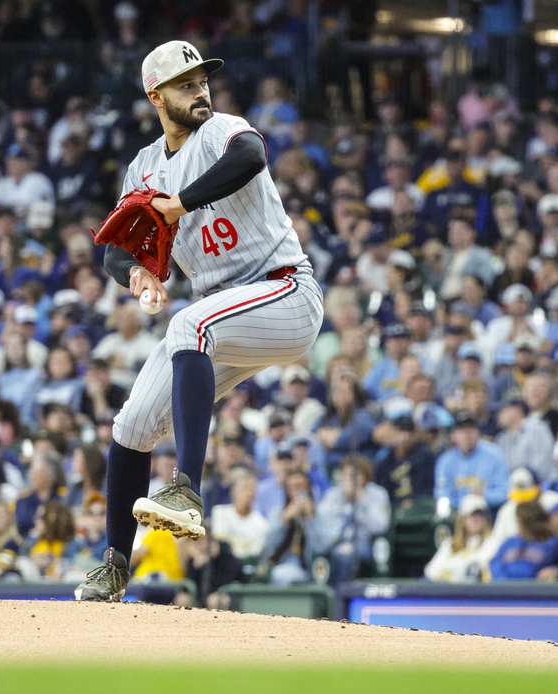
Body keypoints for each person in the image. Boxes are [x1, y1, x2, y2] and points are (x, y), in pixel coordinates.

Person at [75, 40, 324, 602]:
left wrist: (180, 204)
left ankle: (186, 492)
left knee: (189, 324)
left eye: (202, 81)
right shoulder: (144, 167)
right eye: (185, 85)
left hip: (285, 291)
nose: (200, 91)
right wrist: (137, 274)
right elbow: (116, 248)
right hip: (224, 319)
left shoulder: (220, 131)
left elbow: (250, 157)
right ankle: (114, 566)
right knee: (131, 425)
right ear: (156, 97)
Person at [315, 455, 391, 584]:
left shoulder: (377, 493)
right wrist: (344, 503)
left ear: (364, 476)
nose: (349, 479)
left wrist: (361, 500)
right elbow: (322, 520)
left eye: (354, 475)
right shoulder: (333, 494)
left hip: (366, 541)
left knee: (349, 555)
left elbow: (381, 526)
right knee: (337, 554)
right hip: (337, 541)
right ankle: (336, 592)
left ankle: (344, 592)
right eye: (346, 475)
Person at [434, 410, 509, 511]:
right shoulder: (445, 460)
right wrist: (462, 504)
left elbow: (505, 492)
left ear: (478, 433)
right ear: (453, 436)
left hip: (488, 511)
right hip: (457, 512)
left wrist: (484, 495)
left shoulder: (494, 454)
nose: (467, 435)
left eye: (470, 429)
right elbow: (442, 494)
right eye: (462, 430)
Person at [424, 494, 492, 583]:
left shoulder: (491, 542)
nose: (477, 519)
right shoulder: (450, 543)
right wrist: (445, 575)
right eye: (473, 515)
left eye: (481, 515)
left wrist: (449, 572)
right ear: (462, 518)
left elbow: (475, 568)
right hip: (448, 588)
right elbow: (431, 569)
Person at [488, 500, 557, 581]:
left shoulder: (551, 542)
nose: (518, 523)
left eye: (520, 520)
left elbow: (556, 568)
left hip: (537, 587)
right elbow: (495, 566)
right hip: (508, 587)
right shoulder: (510, 543)